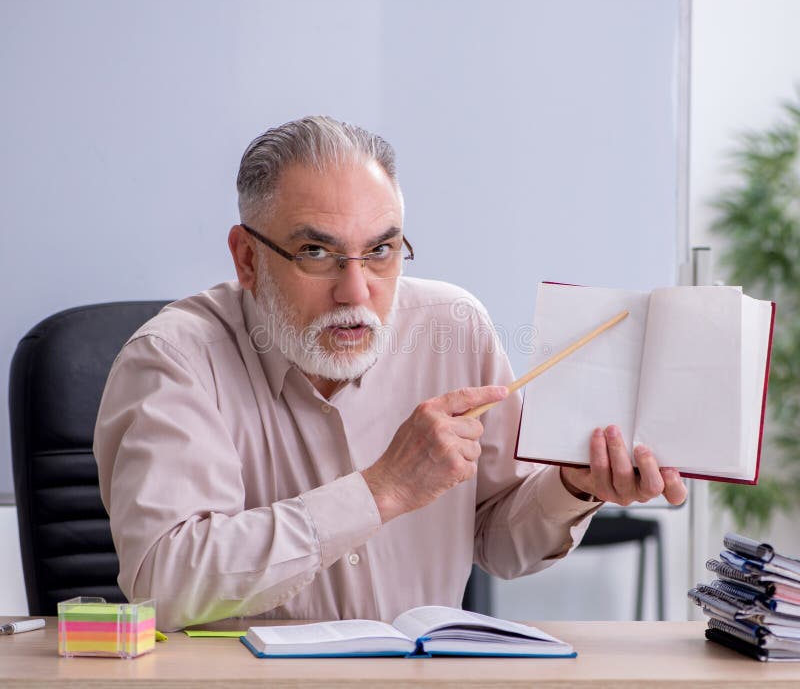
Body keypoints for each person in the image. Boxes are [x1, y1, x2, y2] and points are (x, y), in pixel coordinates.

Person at [94, 116, 686, 631]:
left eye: (381, 251)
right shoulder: (173, 359)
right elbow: (164, 586)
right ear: (248, 259)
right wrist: (383, 489)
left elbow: (502, 544)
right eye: (316, 254)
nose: (356, 292)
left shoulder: (455, 327)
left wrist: (573, 486)